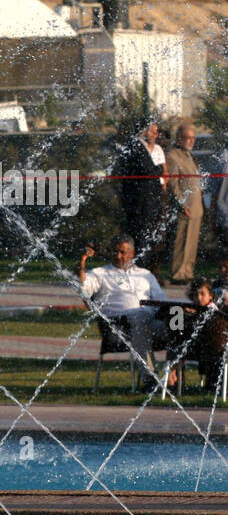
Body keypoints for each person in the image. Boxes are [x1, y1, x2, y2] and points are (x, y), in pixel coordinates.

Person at [79, 234, 172, 384]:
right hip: (120, 326)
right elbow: (82, 287)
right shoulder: (100, 273)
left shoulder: (146, 275)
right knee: (139, 320)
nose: (118, 256)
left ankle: (174, 375)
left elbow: (162, 301)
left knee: (179, 318)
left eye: (122, 252)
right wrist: (82, 262)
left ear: (132, 254)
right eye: (115, 252)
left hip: (151, 322)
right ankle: (150, 379)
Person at [116, 119, 167, 267]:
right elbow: (148, 171)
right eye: (152, 130)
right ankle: (139, 268)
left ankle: (143, 268)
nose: (155, 134)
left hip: (147, 201)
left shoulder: (138, 146)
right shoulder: (136, 146)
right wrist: (159, 169)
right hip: (141, 203)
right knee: (141, 238)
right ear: (143, 131)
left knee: (147, 238)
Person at [165, 124, 203, 284]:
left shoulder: (188, 155)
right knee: (182, 241)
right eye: (188, 138)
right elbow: (173, 184)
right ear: (179, 138)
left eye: (193, 138)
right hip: (184, 207)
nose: (191, 141)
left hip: (196, 206)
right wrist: (181, 204)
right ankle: (178, 274)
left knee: (192, 241)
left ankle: (187, 272)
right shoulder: (173, 156)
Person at [184, 277, 228, 393]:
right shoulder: (191, 309)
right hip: (200, 348)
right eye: (195, 295)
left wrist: (194, 315)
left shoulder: (213, 310)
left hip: (214, 349)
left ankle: (213, 387)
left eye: (202, 294)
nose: (198, 298)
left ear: (210, 295)